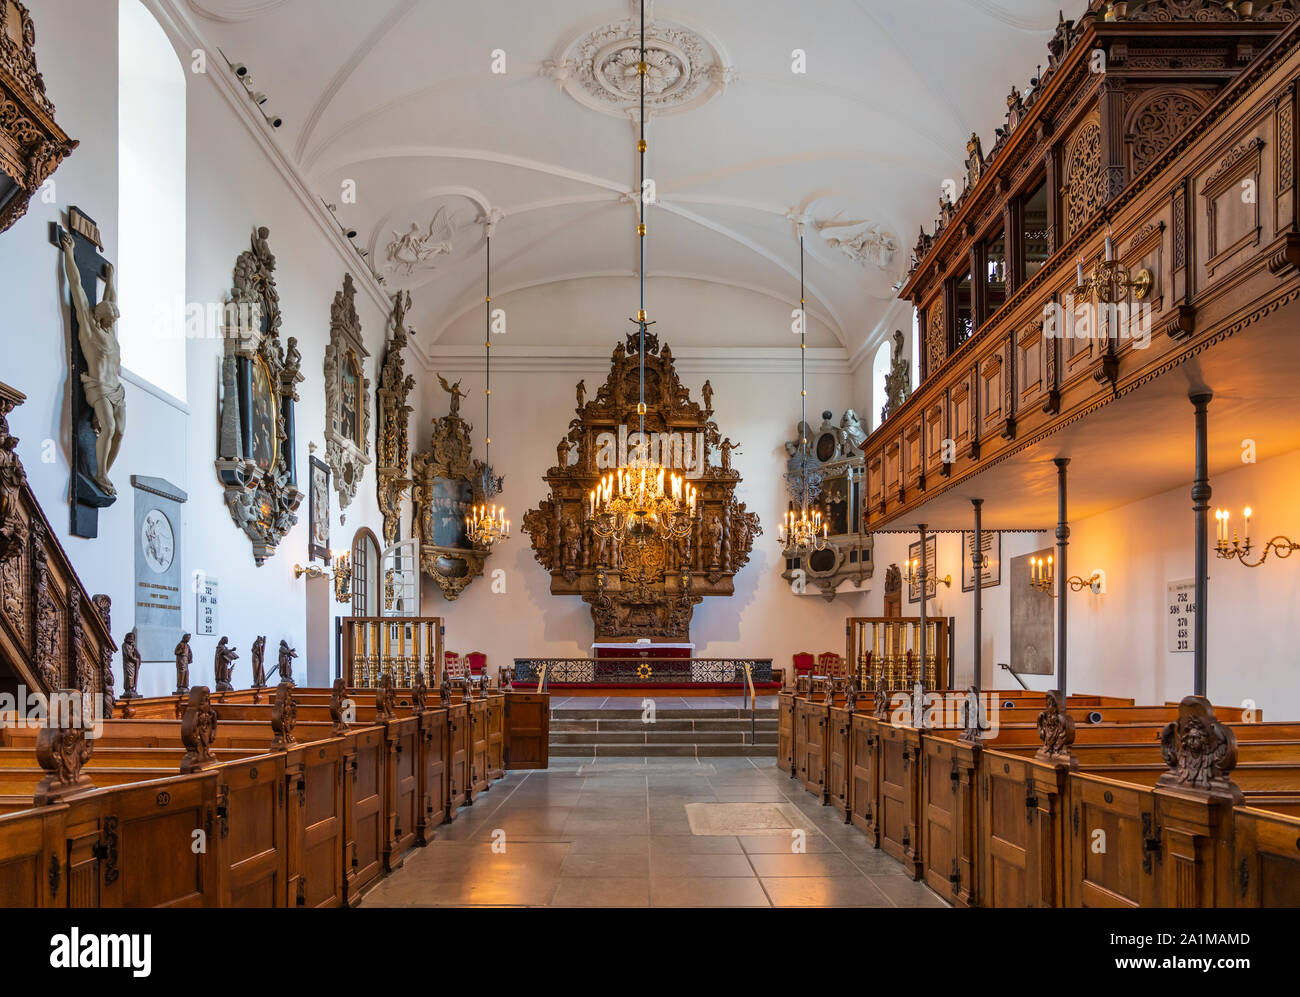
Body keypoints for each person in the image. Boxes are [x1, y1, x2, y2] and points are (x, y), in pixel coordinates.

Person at [60, 231, 124, 495]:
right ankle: (99, 474)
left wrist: (110, 278)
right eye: (110, 318)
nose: (113, 323)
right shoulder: (89, 328)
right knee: (107, 427)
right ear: (100, 316)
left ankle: (104, 473)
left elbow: (111, 299)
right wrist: (68, 254)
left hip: (117, 390)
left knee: (119, 432)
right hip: (96, 385)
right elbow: (76, 285)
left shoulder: (110, 332)